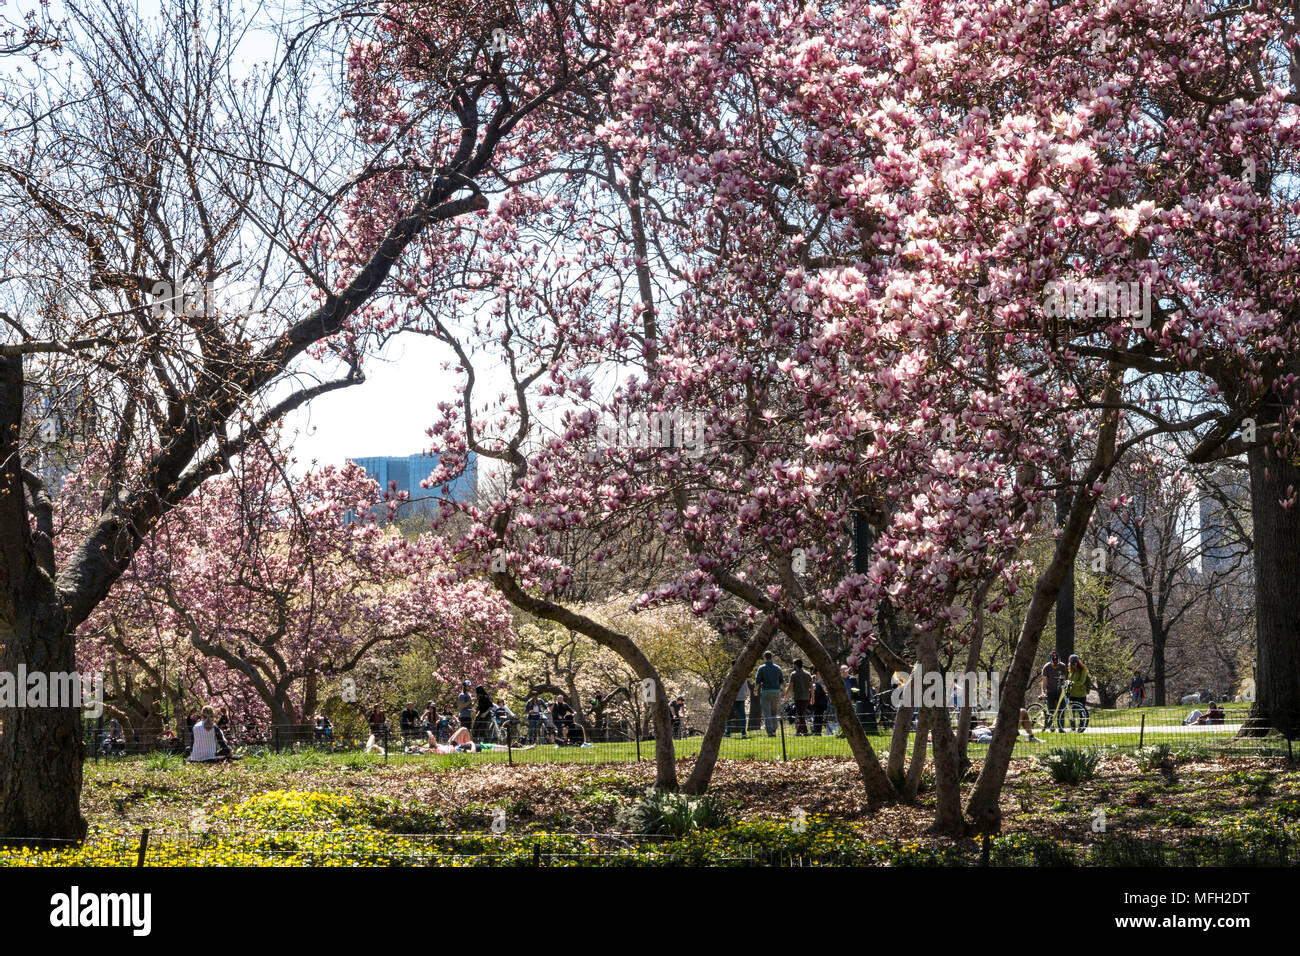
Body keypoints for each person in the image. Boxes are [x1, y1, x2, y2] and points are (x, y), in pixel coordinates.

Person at [755, 651, 784, 737]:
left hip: (766, 692)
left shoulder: (761, 668)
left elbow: (757, 681)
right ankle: (774, 729)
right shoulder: (778, 668)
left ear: (764, 658)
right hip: (776, 692)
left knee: (767, 713)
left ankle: (770, 732)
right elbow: (782, 681)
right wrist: (782, 691)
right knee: (774, 712)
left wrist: (755, 690)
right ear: (772, 657)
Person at [1040, 651, 1069, 731]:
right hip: (1050, 690)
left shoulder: (1062, 666)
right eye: (1054, 664)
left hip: (1060, 691)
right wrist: (1043, 692)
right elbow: (1044, 681)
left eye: (1057, 664)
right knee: (1051, 710)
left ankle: (1061, 728)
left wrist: (1066, 683)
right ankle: (1051, 726)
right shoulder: (1046, 667)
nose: (1056, 666)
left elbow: (1063, 679)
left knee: (1061, 709)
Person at [785, 659, 813, 736]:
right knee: (801, 714)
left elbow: (790, 686)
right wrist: (813, 697)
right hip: (807, 697)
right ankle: (800, 731)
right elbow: (811, 687)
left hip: (798, 697)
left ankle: (803, 731)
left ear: (796, 665)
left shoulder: (793, 674)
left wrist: (786, 695)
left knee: (800, 714)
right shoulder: (808, 674)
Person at [726, 663, 750, 739]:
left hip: (733, 697)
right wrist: (746, 694)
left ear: (731, 665)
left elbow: (727, 686)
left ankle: (727, 733)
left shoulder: (730, 674)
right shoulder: (743, 673)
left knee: (729, 716)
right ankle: (743, 733)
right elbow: (746, 686)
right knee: (742, 716)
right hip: (742, 697)